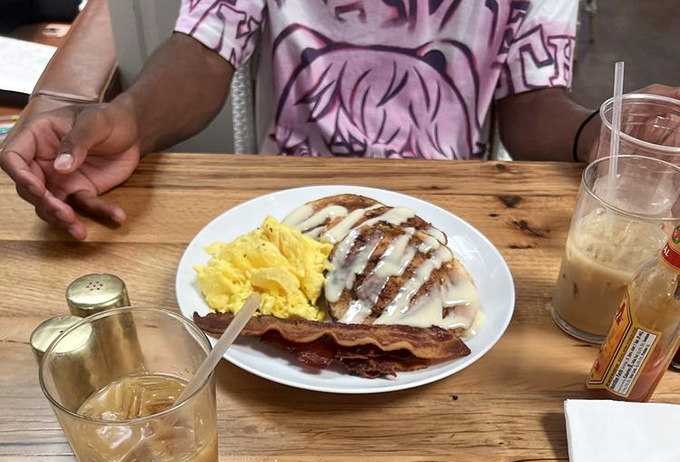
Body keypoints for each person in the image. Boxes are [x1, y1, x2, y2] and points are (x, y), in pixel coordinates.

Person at [1, 0, 678, 240]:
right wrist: (131, 117)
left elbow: (529, 105)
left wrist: (601, 134)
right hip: (286, 214)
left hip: (448, 218)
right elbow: (206, 48)